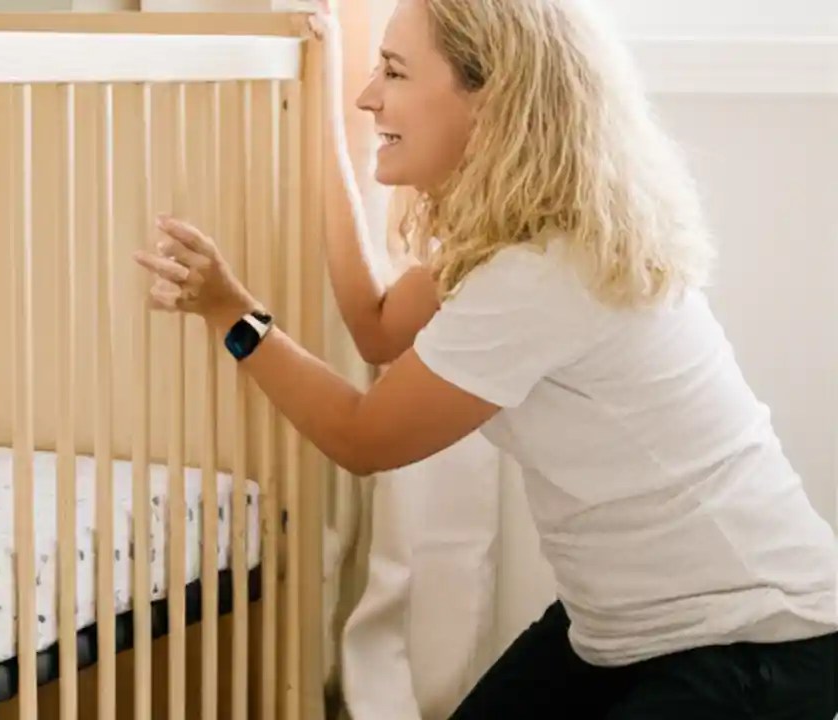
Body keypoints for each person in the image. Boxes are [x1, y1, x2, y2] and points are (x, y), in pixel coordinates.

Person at [132, 0, 838, 717]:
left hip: (753, 642)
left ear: (491, 98)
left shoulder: (542, 272)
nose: (368, 94)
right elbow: (378, 326)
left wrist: (230, 312)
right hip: (622, 630)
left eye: (395, 71)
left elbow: (362, 437)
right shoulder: (530, 238)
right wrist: (324, 124)